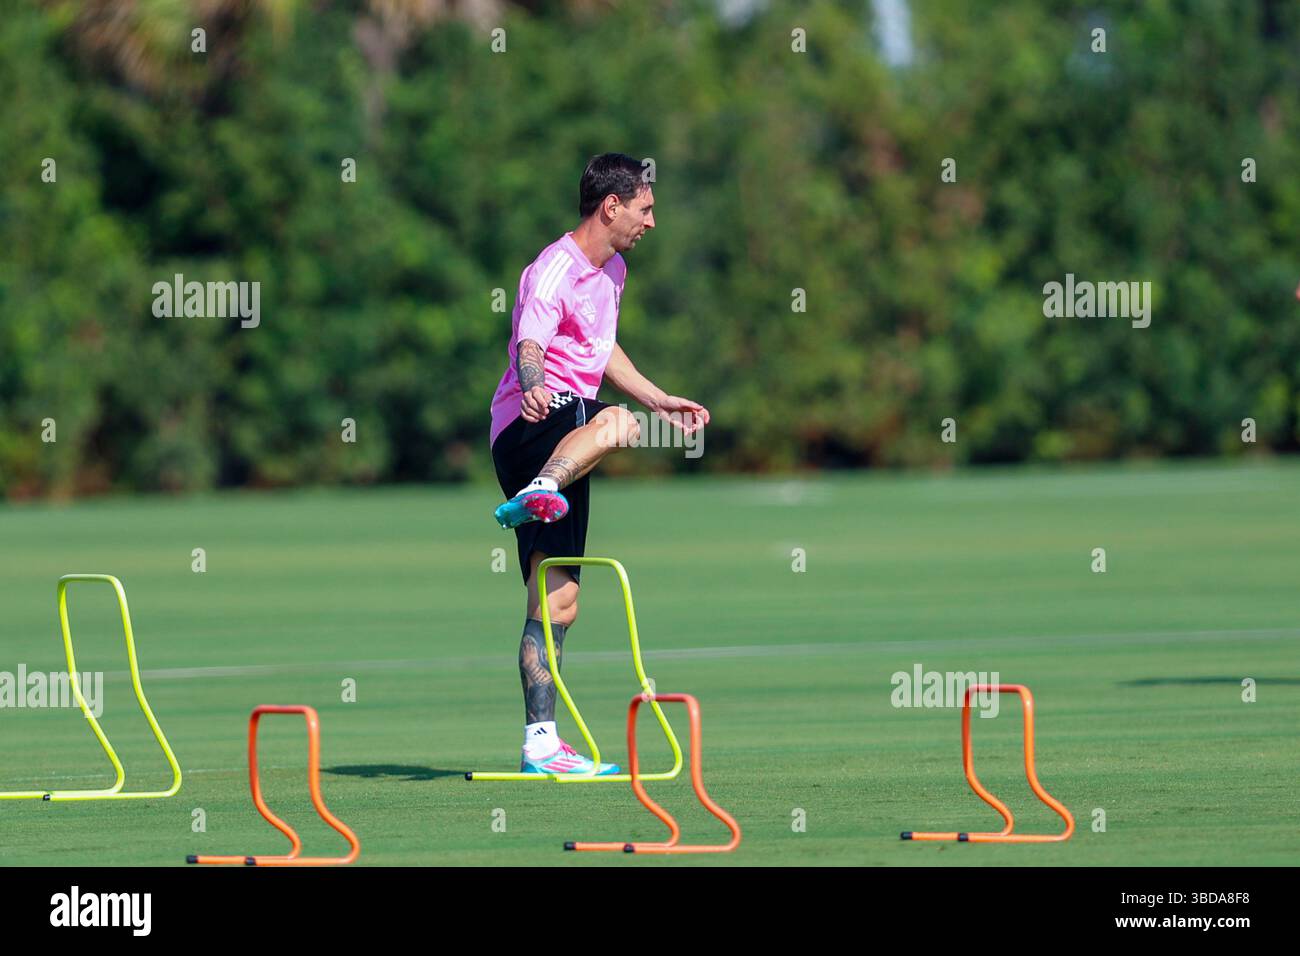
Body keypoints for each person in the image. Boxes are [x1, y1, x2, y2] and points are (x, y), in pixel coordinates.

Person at [487, 153, 709, 775]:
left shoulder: (614, 271)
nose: (651, 222)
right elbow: (531, 340)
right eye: (645, 209)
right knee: (616, 425)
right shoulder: (553, 268)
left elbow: (600, 348)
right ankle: (542, 486)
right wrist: (533, 383)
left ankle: (540, 744)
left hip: (567, 437)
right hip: (530, 424)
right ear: (611, 207)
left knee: (558, 604)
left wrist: (660, 396)